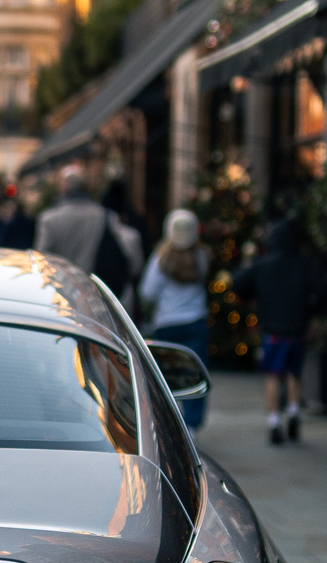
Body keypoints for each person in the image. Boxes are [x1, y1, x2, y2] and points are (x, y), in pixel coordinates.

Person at [231, 217, 327, 445]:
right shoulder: (304, 264)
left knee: (273, 375)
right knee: (294, 373)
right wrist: (312, 311)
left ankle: (275, 420)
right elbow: (323, 290)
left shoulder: (262, 264)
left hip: (273, 330)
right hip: (297, 328)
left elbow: (238, 283)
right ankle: (294, 411)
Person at [138, 209, 212, 430]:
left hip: (167, 323)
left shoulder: (161, 259)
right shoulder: (202, 257)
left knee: (166, 377)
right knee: (195, 375)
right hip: (195, 321)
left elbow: (147, 292)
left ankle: (171, 422)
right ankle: (192, 424)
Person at [33, 166, 140, 301]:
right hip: (94, 293)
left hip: (60, 292)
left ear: (62, 188)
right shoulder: (104, 216)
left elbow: (41, 258)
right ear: (87, 187)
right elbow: (130, 244)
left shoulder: (49, 219)